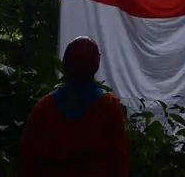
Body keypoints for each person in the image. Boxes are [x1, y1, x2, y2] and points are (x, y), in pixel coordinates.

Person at [18, 36, 129, 177]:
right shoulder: (109, 106)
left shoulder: (45, 106)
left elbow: (27, 160)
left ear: (65, 64)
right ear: (96, 65)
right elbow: (119, 162)